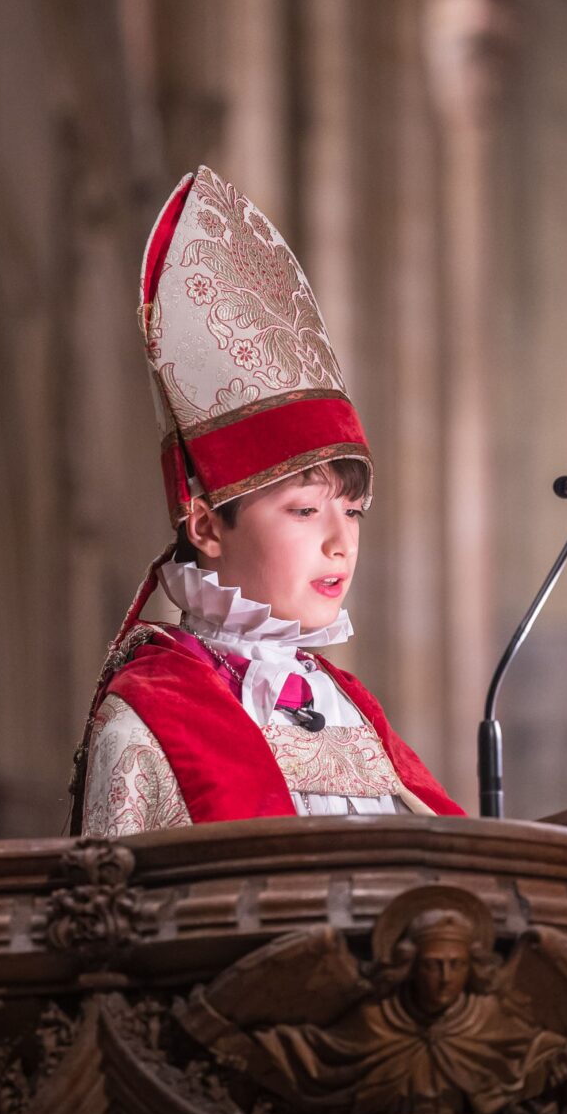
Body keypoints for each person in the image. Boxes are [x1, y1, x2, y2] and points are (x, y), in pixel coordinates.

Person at [69, 166, 462, 836]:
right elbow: (109, 931)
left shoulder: (350, 708)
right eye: (306, 510)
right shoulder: (143, 726)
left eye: (354, 510)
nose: (342, 541)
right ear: (205, 523)